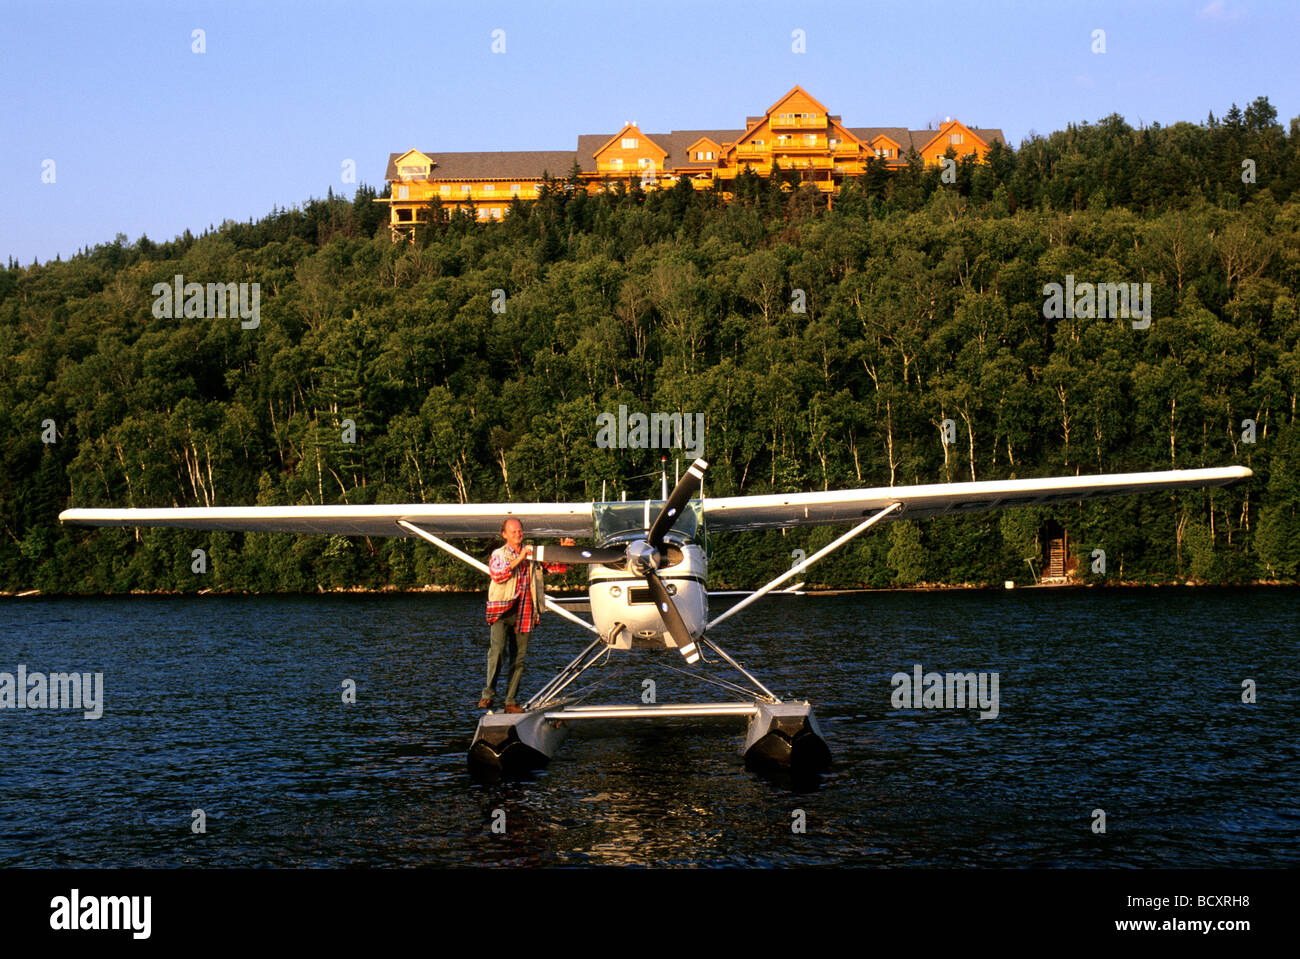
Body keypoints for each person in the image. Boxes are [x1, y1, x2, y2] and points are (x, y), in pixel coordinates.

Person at [480, 519, 572, 712]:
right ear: (504, 534)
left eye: (520, 531)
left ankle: (510, 702)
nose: (517, 535)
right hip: (501, 610)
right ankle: (488, 694)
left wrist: (564, 552)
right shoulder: (499, 554)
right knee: (497, 653)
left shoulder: (532, 554)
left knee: (519, 659)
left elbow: (554, 567)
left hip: (525, 611)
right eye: (513, 532)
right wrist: (521, 557)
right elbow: (498, 574)